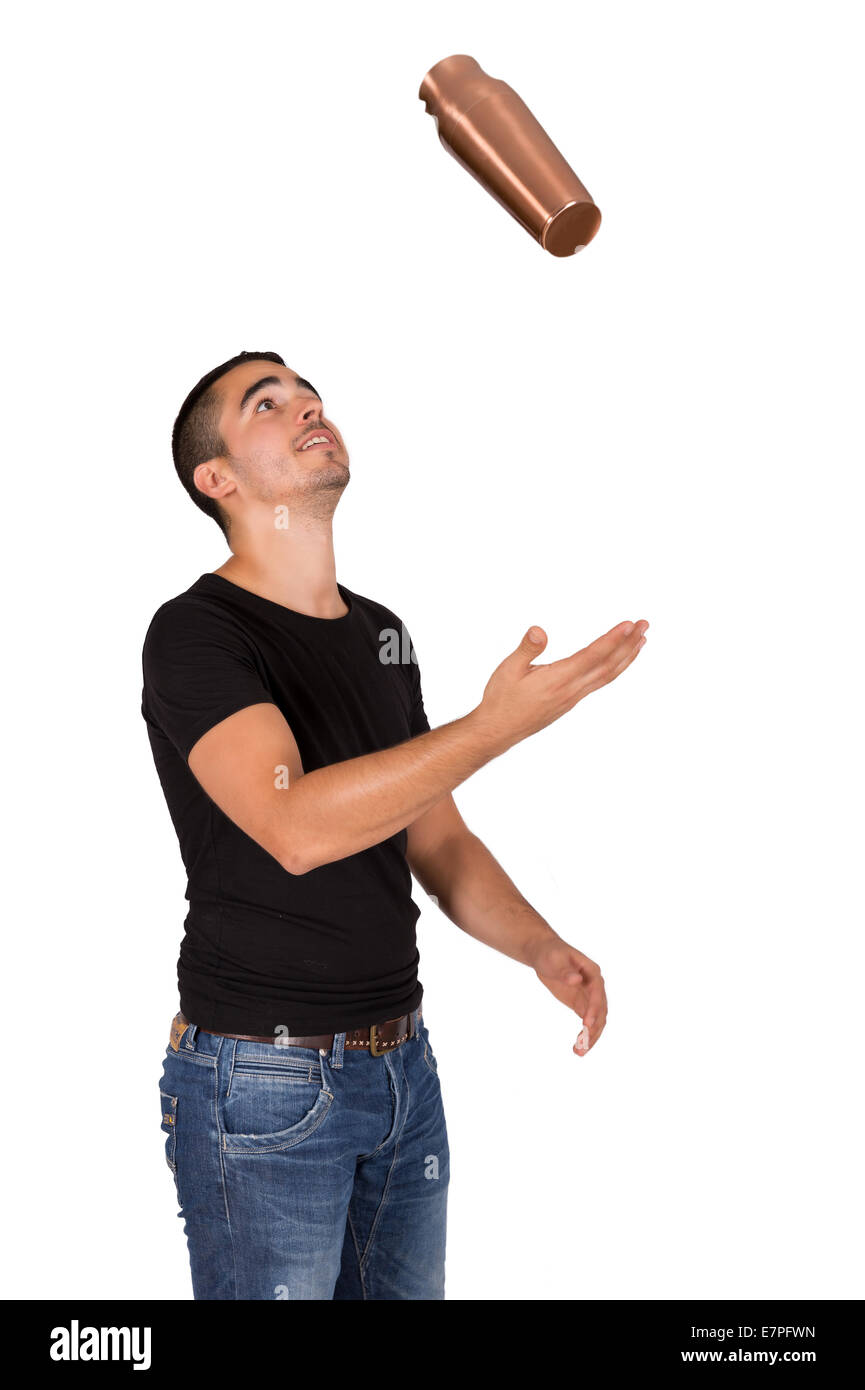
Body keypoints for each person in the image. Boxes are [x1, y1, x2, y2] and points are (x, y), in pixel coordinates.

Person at [142, 349, 648, 1301]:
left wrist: (540, 947)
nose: (307, 409)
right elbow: (292, 827)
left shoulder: (383, 633)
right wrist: (493, 727)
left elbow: (436, 838)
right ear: (216, 479)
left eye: (311, 396)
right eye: (268, 404)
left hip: (402, 1070)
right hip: (263, 1082)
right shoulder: (196, 633)